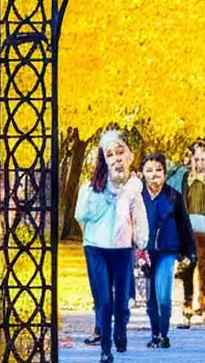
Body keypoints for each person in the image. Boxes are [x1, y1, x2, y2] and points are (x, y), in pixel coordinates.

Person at [75, 130, 148, 363]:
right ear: (103, 160)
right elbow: (81, 214)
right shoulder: (91, 187)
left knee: (121, 300)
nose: (116, 158)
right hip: (95, 247)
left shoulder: (135, 187)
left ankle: (120, 332)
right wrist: (109, 195)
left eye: (120, 153)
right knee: (104, 299)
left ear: (129, 156)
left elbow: (139, 217)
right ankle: (105, 349)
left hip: (122, 248)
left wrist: (141, 241)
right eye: (110, 154)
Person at [140, 152, 197, 349]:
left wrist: (190, 252)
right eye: (149, 170)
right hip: (143, 253)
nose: (154, 174)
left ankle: (164, 334)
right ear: (142, 173)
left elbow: (185, 226)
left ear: (165, 173)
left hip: (167, 251)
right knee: (150, 298)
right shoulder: (137, 198)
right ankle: (155, 334)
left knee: (163, 295)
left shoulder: (174, 196)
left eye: (158, 170)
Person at [167, 141, 205, 328]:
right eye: (197, 159)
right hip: (187, 231)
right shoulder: (183, 180)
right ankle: (187, 305)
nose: (200, 163)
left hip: (204, 232)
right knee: (187, 268)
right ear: (191, 160)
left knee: (204, 270)